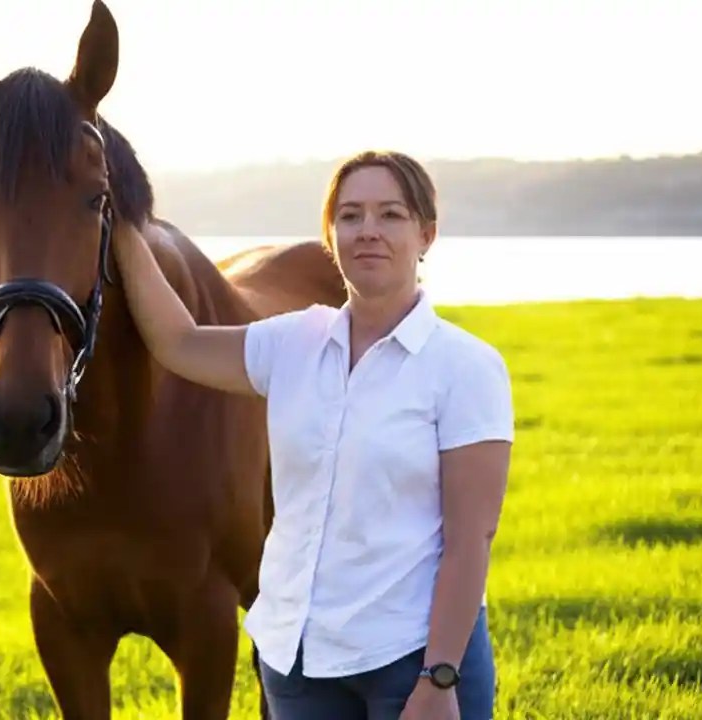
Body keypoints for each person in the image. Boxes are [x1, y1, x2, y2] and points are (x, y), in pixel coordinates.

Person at [111, 150, 513, 720]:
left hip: (412, 659)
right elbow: (178, 342)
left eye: (390, 215)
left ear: (426, 235)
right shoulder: (293, 343)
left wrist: (440, 677)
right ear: (330, 236)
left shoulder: (465, 366)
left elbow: (472, 538)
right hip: (297, 662)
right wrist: (119, 215)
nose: (368, 231)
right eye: (350, 216)